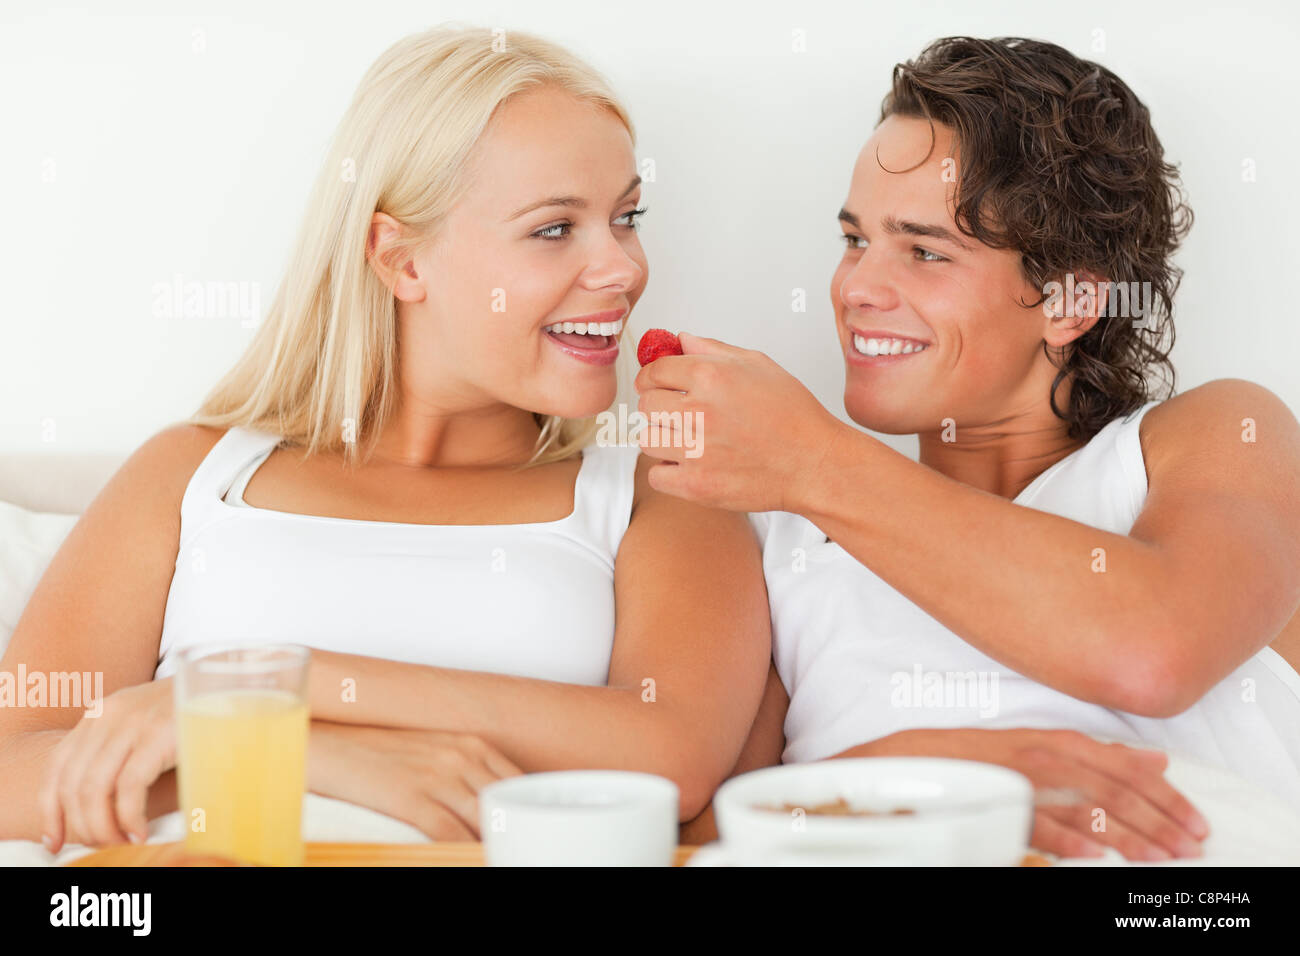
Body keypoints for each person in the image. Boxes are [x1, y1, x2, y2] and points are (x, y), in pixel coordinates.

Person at [0, 25, 773, 852]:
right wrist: (318, 754)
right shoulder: (194, 473)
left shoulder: (667, 493)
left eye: (627, 217)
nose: (623, 268)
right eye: (556, 228)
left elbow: (674, 753)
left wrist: (249, 693)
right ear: (400, 259)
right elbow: (16, 766)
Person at [642, 37, 1300, 861]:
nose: (856, 289)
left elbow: (1158, 652)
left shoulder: (1211, 438)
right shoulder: (791, 545)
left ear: (1069, 300)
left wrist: (812, 459)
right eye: (855, 240)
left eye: (924, 251)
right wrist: (940, 772)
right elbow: (708, 839)